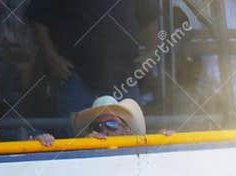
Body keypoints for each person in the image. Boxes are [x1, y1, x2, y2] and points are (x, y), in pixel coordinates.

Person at [25, 1, 160, 125]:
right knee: (78, 144)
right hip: (76, 78)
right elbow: (38, 17)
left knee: (131, 143)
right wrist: (51, 57)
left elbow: (150, 17)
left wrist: (150, 54)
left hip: (126, 79)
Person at [70, 94, 146, 139]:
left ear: (126, 131)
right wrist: (88, 149)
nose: (104, 131)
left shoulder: (138, 156)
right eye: (97, 127)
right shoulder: (86, 158)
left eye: (112, 124)